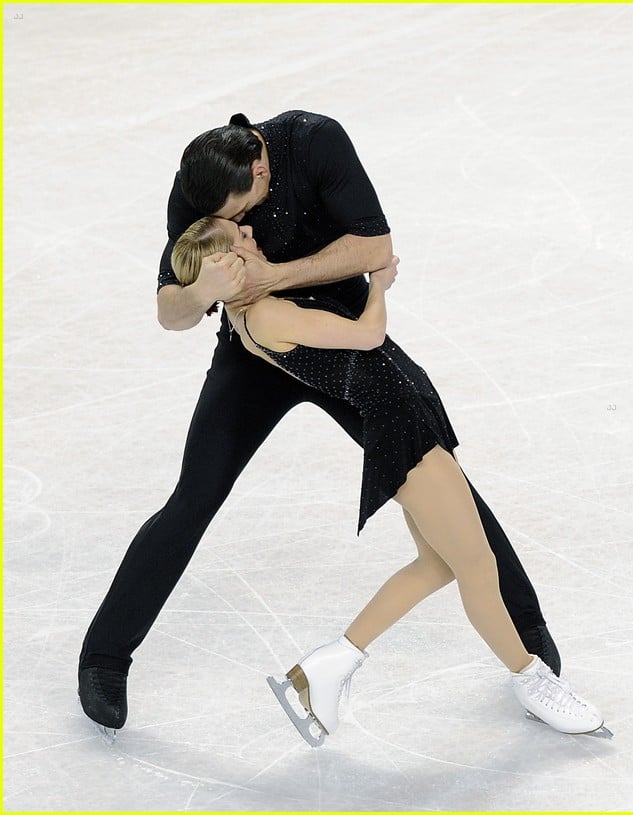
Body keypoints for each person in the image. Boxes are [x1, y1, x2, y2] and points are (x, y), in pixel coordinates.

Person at [78, 112, 561, 737]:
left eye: (242, 213)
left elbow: (375, 248)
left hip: (340, 341)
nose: (237, 229)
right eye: (225, 224)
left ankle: (527, 634)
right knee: (194, 496)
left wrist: (272, 280)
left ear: (261, 167)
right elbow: (172, 308)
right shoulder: (201, 183)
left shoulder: (312, 142)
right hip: (256, 348)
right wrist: (207, 293)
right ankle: (105, 656)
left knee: (431, 461)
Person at [168, 217, 606, 743]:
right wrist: (379, 286)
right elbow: (368, 334)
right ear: (224, 265)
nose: (250, 233)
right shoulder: (264, 313)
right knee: (477, 564)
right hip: (403, 431)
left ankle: (330, 665)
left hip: (404, 420)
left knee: (438, 564)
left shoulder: (254, 310)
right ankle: (531, 680)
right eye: (239, 238)